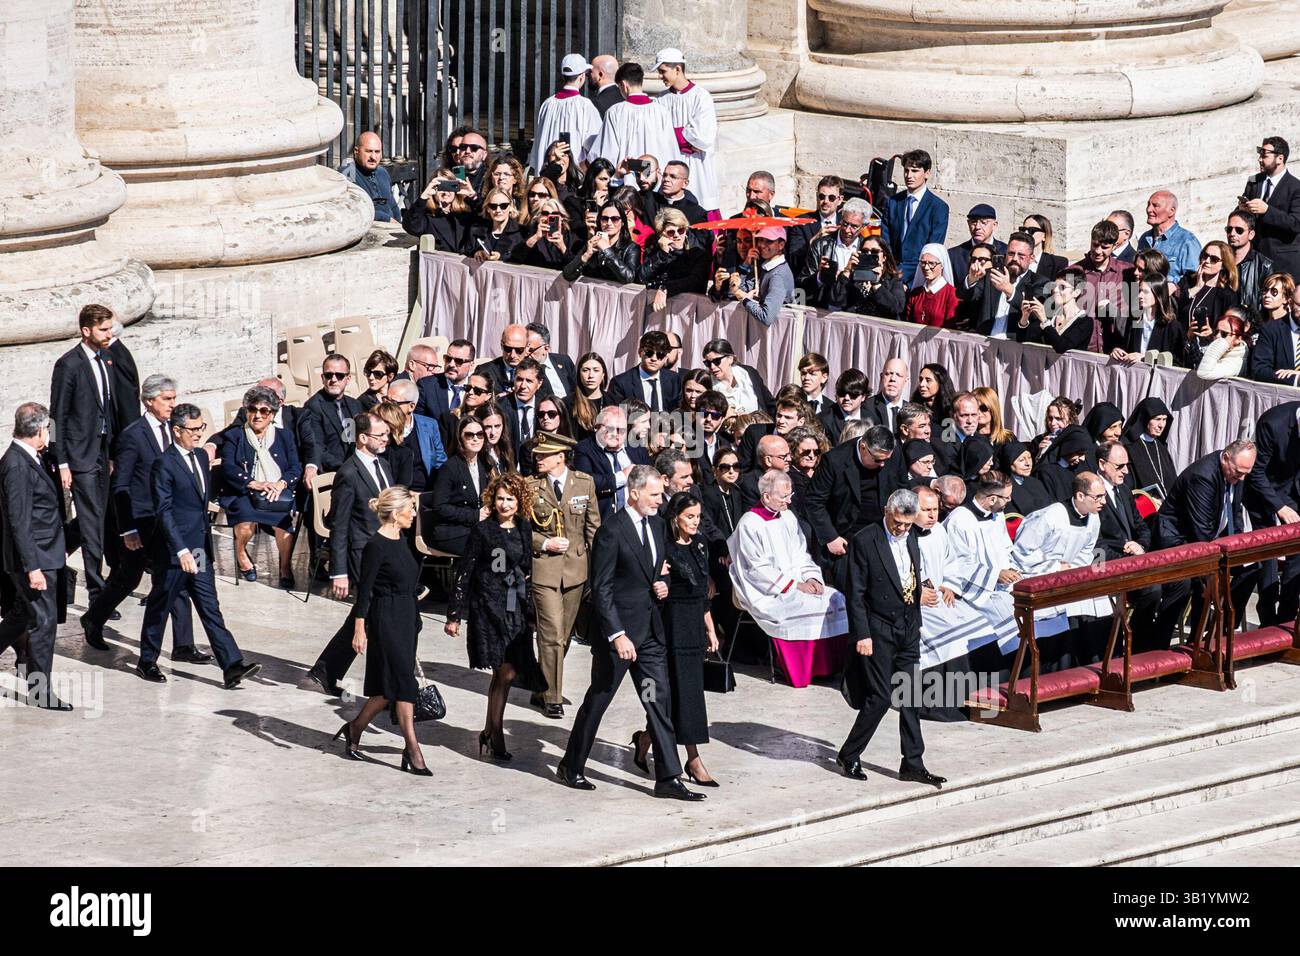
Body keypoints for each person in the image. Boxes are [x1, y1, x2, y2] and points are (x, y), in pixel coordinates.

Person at [556, 465, 704, 800]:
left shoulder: (656, 523)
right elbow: (602, 589)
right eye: (653, 495)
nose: (659, 500)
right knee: (599, 699)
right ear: (634, 493)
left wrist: (662, 584)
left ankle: (668, 776)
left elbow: (659, 569)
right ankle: (572, 764)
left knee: (657, 701)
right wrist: (617, 635)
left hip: (650, 634)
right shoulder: (612, 530)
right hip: (620, 637)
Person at [136, 404, 261, 689]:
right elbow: (164, 511)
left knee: (209, 605)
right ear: (176, 430)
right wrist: (180, 550)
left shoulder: (200, 459)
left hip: (199, 549)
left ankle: (231, 664)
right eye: (193, 429)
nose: (198, 434)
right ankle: (147, 660)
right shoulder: (164, 464)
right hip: (174, 551)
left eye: (200, 428)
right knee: (161, 604)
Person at [837, 488, 944, 786]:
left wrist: (918, 613)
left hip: (907, 627)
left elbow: (911, 574)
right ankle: (849, 753)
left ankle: (912, 762)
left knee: (910, 695)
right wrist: (862, 634)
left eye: (908, 524)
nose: (901, 529)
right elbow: (855, 593)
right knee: (881, 697)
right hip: (878, 628)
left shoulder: (910, 536)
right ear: (886, 510)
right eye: (897, 522)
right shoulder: (865, 540)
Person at [445, 471, 545, 761]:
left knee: (506, 673)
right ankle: (496, 734)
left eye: (510, 499)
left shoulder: (525, 527)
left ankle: (490, 730)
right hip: (487, 607)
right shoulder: (482, 531)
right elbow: (464, 571)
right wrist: (454, 614)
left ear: (520, 501)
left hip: (516, 607)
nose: (504, 504)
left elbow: (527, 563)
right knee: (504, 671)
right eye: (499, 498)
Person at [335, 487, 429, 773]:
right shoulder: (375, 546)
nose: (414, 513)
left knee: (391, 687)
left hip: (406, 617)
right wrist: (359, 628)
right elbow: (365, 592)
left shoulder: (403, 540)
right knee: (403, 684)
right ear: (395, 512)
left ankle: (355, 728)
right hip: (386, 618)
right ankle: (413, 750)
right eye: (410, 508)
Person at [630, 491, 720, 785]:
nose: (695, 522)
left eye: (698, 517)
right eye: (689, 517)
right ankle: (692, 760)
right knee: (675, 695)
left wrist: (709, 627)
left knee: (687, 694)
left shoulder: (702, 544)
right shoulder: (664, 548)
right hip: (669, 628)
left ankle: (646, 739)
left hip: (694, 627)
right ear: (675, 518)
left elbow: (702, 592)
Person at [305, 411, 395, 695]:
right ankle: (384, 678)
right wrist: (339, 571)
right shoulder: (348, 473)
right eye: (380, 436)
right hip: (362, 555)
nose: (386, 440)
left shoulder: (383, 466)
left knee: (366, 612)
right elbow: (339, 526)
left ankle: (326, 669)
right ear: (363, 438)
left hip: (384, 551)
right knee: (374, 611)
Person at [49, 304, 128, 610]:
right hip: (78, 456)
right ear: (86, 331)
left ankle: (56, 551)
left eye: (110, 328)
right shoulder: (68, 365)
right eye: (104, 330)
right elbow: (57, 416)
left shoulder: (106, 358)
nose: (110, 334)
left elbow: (107, 406)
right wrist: (62, 461)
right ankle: (98, 594)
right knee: (93, 522)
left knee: (95, 518)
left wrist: (110, 452)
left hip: (101, 453)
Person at [1151, 441, 1260, 649]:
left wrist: (1238, 548)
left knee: (1251, 569)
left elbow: (1235, 515)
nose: (1242, 478)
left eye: (1246, 473)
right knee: (1202, 580)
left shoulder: (1238, 472)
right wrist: (1224, 554)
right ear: (1226, 457)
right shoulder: (1203, 477)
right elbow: (1201, 530)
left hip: (1211, 542)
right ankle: (1162, 647)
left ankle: (1218, 630)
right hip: (1178, 541)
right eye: (1238, 472)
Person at [0, 404, 71, 709]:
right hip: (36, 559)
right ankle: (40, 692)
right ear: (40, 430)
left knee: (22, 614)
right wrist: (33, 568)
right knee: (43, 622)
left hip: (44, 553)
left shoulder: (29, 458)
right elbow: (19, 521)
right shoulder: (16, 465)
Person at [526, 432, 600, 718]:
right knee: (552, 634)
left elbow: (593, 528)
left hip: (576, 570)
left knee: (564, 636)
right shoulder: (530, 486)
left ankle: (540, 684)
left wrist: (601, 570)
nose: (538, 459)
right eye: (537, 454)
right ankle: (552, 697)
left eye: (544, 455)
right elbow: (522, 529)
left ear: (561, 457)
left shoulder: (584, 483)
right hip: (544, 568)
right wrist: (543, 543)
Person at [730, 468, 847, 639]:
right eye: (784, 497)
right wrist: (795, 585)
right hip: (768, 590)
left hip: (797, 581)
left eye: (790, 494)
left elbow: (802, 554)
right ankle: (799, 663)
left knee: (836, 599)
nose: (789, 500)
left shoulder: (788, 517)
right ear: (767, 497)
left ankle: (831, 662)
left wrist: (811, 578)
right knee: (807, 606)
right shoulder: (749, 524)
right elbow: (756, 569)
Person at [1010, 472, 1109, 670]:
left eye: (1104, 495)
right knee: (1068, 611)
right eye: (1098, 497)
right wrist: (1055, 568)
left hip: (1068, 576)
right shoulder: (1052, 516)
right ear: (1080, 496)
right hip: (1038, 575)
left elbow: (1086, 553)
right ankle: (1063, 670)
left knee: (1099, 604)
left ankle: (1095, 667)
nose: (1103, 502)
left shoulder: (1093, 518)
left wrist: (1077, 574)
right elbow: (1022, 551)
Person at [220, 384, 301, 588]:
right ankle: (241, 555)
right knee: (246, 525)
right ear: (246, 411)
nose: (257, 415)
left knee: (285, 530)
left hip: (275, 492)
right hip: (244, 492)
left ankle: (284, 567)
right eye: (252, 409)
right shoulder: (234, 436)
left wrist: (281, 484)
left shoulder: (285, 436)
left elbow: (295, 467)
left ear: (272, 413)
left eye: (264, 410)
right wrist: (253, 483)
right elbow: (228, 467)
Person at [942, 470, 1021, 677]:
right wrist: (995, 575)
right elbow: (956, 564)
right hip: (974, 593)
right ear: (992, 498)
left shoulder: (998, 515)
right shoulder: (960, 520)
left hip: (1001, 587)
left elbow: (1005, 548)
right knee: (1009, 618)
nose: (1009, 501)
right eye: (1006, 497)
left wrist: (1010, 569)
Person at [805, 425, 902, 589]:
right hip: (845, 536)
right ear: (864, 447)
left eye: (887, 459)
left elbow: (901, 488)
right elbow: (814, 501)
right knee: (851, 590)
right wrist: (830, 537)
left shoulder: (892, 453)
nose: (883, 464)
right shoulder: (835, 460)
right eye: (878, 460)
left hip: (883, 531)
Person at [1095, 440, 1162, 645]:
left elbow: (1140, 525)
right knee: (1152, 589)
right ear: (1102, 464)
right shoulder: (1093, 493)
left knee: (1180, 584)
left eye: (1127, 465)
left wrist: (1139, 546)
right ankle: (1136, 645)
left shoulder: (1123, 489)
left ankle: (1150, 646)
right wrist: (1126, 558)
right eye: (1119, 466)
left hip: (1133, 559)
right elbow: (1095, 542)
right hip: (1106, 564)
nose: (1125, 471)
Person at [653, 49, 720, 215]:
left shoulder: (701, 97)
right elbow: (656, 134)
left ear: (677, 69)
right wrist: (683, 134)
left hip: (697, 165)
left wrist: (671, 135)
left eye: (663, 71)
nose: (660, 77)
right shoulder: (660, 99)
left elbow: (702, 137)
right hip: (670, 164)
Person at [592, 62, 678, 171]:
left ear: (623, 85)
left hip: (626, 176)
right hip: (654, 176)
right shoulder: (662, 111)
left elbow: (608, 151)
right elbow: (670, 149)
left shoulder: (615, 112)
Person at [880, 149, 950, 280]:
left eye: (915, 171)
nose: (909, 175)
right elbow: (885, 240)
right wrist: (891, 271)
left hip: (920, 276)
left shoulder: (938, 207)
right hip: (891, 274)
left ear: (927, 173)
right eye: (906, 170)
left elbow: (933, 247)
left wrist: (911, 278)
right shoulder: (893, 202)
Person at [427, 416, 493, 556]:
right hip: (452, 530)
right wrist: (474, 515)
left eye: (480, 434)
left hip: (476, 527)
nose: (475, 439)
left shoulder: (484, 464)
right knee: (492, 547)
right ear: (460, 438)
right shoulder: (449, 468)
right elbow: (439, 507)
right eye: (469, 435)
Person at [573, 405, 650, 520]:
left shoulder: (637, 447)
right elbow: (584, 482)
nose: (615, 434)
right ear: (597, 427)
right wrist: (622, 477)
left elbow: (650, 478)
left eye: (621, 430)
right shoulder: (584, 449)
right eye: (610, 429)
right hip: (604, 520)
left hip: (637, 517)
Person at [1240, 135, 1300, 279]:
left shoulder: (1295, 187)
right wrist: (1242, 211)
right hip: (1255, 258)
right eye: (1260, 155)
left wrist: (1267, 210)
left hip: (1283, 262)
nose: (1260, 159)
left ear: (1280, 158)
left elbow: (1296, 224)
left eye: (1264, 155)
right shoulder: (1254, 182)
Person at [528, 54, 602, 170]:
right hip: (572, 172)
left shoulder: (547, 104)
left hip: (546, 170)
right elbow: (595, 144)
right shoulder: (585, 106)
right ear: (582, 77)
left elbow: (538, 141)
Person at [964, 231, 1043, 339]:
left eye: (1021, 255)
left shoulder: (1038, 282)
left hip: (1014, 347)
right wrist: (971, 280)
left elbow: (1035, 313)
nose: (1015, 259)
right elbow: (965, 296)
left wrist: (1009, 290)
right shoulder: (991, 275)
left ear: (1031, 258)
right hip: (984, 341)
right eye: (1011, 253)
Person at [300, 354, 363, 487]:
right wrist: (347, 468)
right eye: (329, 375)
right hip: (333, 473)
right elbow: (316, 445)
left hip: (355, 468)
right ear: (322, 378)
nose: (333, 379)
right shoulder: (313, 407)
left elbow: (353, 439)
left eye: (339, 375)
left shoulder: (354, 405)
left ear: (348, 378)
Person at [1178, 241, 1240, 365]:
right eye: (1204, 256)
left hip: (1207, 355)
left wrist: (1212, 334)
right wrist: (1196, 288)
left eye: (1214, 259)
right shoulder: (1187, 282)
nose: (1207, 261)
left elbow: (1230, 332)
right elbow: (1175, 310)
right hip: (1180, 351)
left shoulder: (1227, 295)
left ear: (1223, 265)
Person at [640, 207, 712, 306]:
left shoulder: (698, 253)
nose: (677, 235)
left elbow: (694, 281)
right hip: (655, 308)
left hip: (687, 310)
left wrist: (665, 288)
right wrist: (662, 255)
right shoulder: (655, 251)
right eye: (671, 232)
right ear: (661, 234)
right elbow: (641, 277)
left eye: (681, 230)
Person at [1109, 278, 1188, 367]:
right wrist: (1118, 351)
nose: (1140, 295)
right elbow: (1127, 348)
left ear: (1158, 295)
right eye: (1139, 291)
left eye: (1145, 292)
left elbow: (1176, 362)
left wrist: (1145, 357)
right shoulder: (1134, 320)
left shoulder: (1172, 326)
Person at [386, 379, 446, 493]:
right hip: (395, 494)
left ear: (411, 406)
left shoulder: (429, 425)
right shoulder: (383, 427)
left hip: (424, 491)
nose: (388, 407)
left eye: (394, 403)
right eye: (386, 401)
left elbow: (440, 461)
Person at [561, 199, 642, 283]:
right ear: (599, 221)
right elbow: (567, 274)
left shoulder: (631, 248)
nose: (609, 223)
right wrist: (585, 256)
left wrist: (607, 250)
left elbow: (629, 277)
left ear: (622, 223)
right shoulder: (593, 243)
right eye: (604, 219)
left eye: (615, 219)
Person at [1121, 397, 1177, 508]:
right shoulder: (1129, 448)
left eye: (1164, 419)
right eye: (1157, 419)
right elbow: (1126, 487)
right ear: (1145, 419)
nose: (1161, 425)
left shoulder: (1161, 448)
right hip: (1144, 512)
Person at [1137, 190, 1201, 284]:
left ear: (1171, 211)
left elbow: (1194, 278)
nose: (1149, 209)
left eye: (1155, 205)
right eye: (1148, 205)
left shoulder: (1187, 241)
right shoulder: (1144, 238)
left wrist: (1173, 285)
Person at [607, 330, 682, 411]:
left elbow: (680, 413)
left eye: (660, 354)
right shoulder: (621, 383)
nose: (654, 358)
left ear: (666, 356)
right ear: (640, 352)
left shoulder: (674, 380)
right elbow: (616, 417)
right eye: (649, 353)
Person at [403, 166, 472, 251]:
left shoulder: (465, 214)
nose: (445, 192)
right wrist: (424, 197)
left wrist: (473, 197)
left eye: (450, 186)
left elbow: (485, 226)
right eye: (441, 187)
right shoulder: (427, 216)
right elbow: (412, 226)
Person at [1025, 268, 1094, 353]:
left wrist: (1045, 321)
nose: (1055, 290)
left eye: (1062, 287)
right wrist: (1025, 317)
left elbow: (1061, 347)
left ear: (1076, 292)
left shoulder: (1085, 322)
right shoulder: (1050, 316)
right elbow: (1025, 340)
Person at [415, 338, 476, 435]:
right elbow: (419, 425)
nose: (451, 364)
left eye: (458, 361)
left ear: (471, 364)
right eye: (448, 359)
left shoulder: (477, 388)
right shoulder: (427, 386)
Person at [701, 338, 774, 416]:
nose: (712, 366)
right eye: (708, 363)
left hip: (758, 426)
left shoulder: (749, 373)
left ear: (730, 359)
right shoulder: (706, 382)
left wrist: (775, 426)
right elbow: (693, 412)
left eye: (716, 361)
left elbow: (770, 403)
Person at [340, 131, 400, 222]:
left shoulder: (382, 172)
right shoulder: (348, 172)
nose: (373, 157)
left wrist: (399, 226)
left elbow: (393, 205)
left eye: (377, 152)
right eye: (368, 151)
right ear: (356, 151)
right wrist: (387, 219)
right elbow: (354, 209)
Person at [1225, 210, 1273, 318]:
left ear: (1251, 234)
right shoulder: (1220, 261)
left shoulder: (1264, 265)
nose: (1232, 234)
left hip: (1251, 326)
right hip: (1224, 326)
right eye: (1229, 229)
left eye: (1239, 230)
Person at [1251, 280, 1300, 382]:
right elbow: (1259, 370)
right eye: (1299, 305)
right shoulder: (1271, 330)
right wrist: (1296, 379)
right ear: (1290, 302)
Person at [948, 203, 1007, 283]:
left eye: (983, 222)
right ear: (968, 224)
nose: (977, 227)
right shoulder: (954, 255)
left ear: (994, 225)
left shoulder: (1006, 252)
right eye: (973, 222)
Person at [905, 243, 959, 327]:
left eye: (931, 263)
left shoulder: (952, 294)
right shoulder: (915, 294)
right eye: (923, 263)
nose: (926, 267)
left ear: (942, 265)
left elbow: (950, 327)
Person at [515, 195, 572, 269]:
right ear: (538, 217)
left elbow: (574, 266)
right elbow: (515, 257)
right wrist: (536, 237)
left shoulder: (569, 236)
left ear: (561, 218)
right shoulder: (530, 233)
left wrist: (562, 247)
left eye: (554, 214)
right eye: (545, 213)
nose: (549, 217)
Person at [999, 439, 1053, 517]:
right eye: (1021, 460)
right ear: (1009, 463)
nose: (1028, 463)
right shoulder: (1002, 487)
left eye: (1029, 457)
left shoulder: (1036, 483)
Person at [468, 188, 524, 262]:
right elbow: (466, 250)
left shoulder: (521, 232)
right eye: (493, 206)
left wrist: (500, 257)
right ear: (488, 208)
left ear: (511, 207)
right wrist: (477, 253)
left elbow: (522, 258)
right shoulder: (476, 231)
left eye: (503, 206)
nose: (498, 210)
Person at [646, 160, 708, 226]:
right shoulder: (649, 200)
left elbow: (701, 236)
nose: (666, 179)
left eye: (673, 177)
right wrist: (635, 164)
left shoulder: (697, 212)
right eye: (664, 175)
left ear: (685, 183)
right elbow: (641, 165)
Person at [1196, 307, 1250, 381]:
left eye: (1224, 334)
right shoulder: (1220, 350)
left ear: (1238, 339)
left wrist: (1221, 343)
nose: (1218, 336)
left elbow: (1203, 373)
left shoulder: (1236, 362)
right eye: (1216, 332)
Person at [479, 324, 530, 397]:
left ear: (527, 347)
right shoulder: (484, 371)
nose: (512, 355)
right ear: (501, 345)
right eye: (508, 349)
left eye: (519, 350)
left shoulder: (535, 371)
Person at [868, 358, 910, 434]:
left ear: (906, 381)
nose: (893, 379)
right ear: (881, 377)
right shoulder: (868, 407)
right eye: (888, 374)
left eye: (899, 375)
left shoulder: (911, 411)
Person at [473, 403, 516, 475]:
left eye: (497, 426)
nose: (493, 432)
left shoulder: (504, 450)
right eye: (488, 427)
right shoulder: (475, 456)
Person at [1023, 214, 1067, 280]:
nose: (1026, 233)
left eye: (1032, 230)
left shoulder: (1058, 263)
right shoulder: (1011, 259)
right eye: (1023, 229)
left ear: (1044, 236)